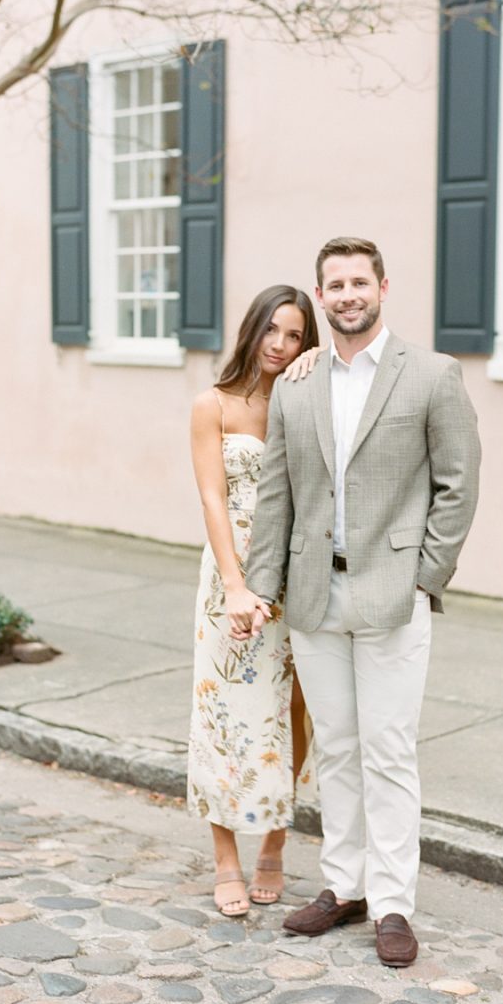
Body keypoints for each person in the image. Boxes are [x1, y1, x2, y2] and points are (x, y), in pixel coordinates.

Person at [241, 236, 482, 967]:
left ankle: (394, 903)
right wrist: (257, 587)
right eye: (333, 285)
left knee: (388, 750)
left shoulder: (433, 376)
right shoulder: (297, 383)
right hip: (314, 593)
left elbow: (459, 483)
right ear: (322, 295)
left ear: (383, 286)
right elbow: (277, 491)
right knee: (337, 751)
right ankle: (343, 886)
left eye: (357, 283)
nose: (346, 295)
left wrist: (424, 577)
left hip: (392, 593)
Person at [187, 284, 319, 917]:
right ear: (253, 330)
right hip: (230, 576)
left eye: (295, 335)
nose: (281, 345)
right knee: (222, 711)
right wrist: (236, 585)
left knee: (287, 714)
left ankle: (273, 843)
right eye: (273, 330)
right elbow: (213, 498)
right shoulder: (210, 405)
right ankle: (225, 859)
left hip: (294, 576)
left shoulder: (302, 401)